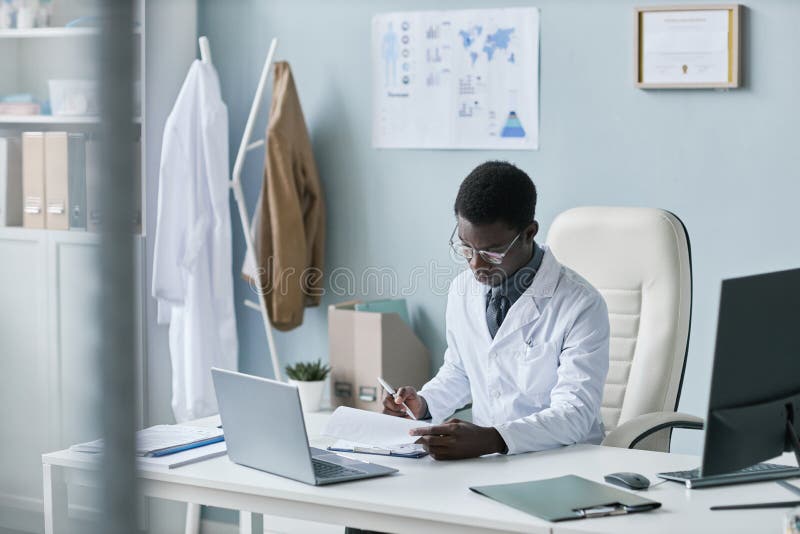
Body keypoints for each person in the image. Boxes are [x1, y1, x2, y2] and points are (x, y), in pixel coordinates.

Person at [384, 160, 610, 459]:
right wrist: (423, 404)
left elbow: (575, 414)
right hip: (487, 460)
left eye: (491, 252)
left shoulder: (580, 304)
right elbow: (461, 371)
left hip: (563, 459)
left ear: (529, 233)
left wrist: (494, 438)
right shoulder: (462, 289)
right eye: (466, 248)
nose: (476, 265)